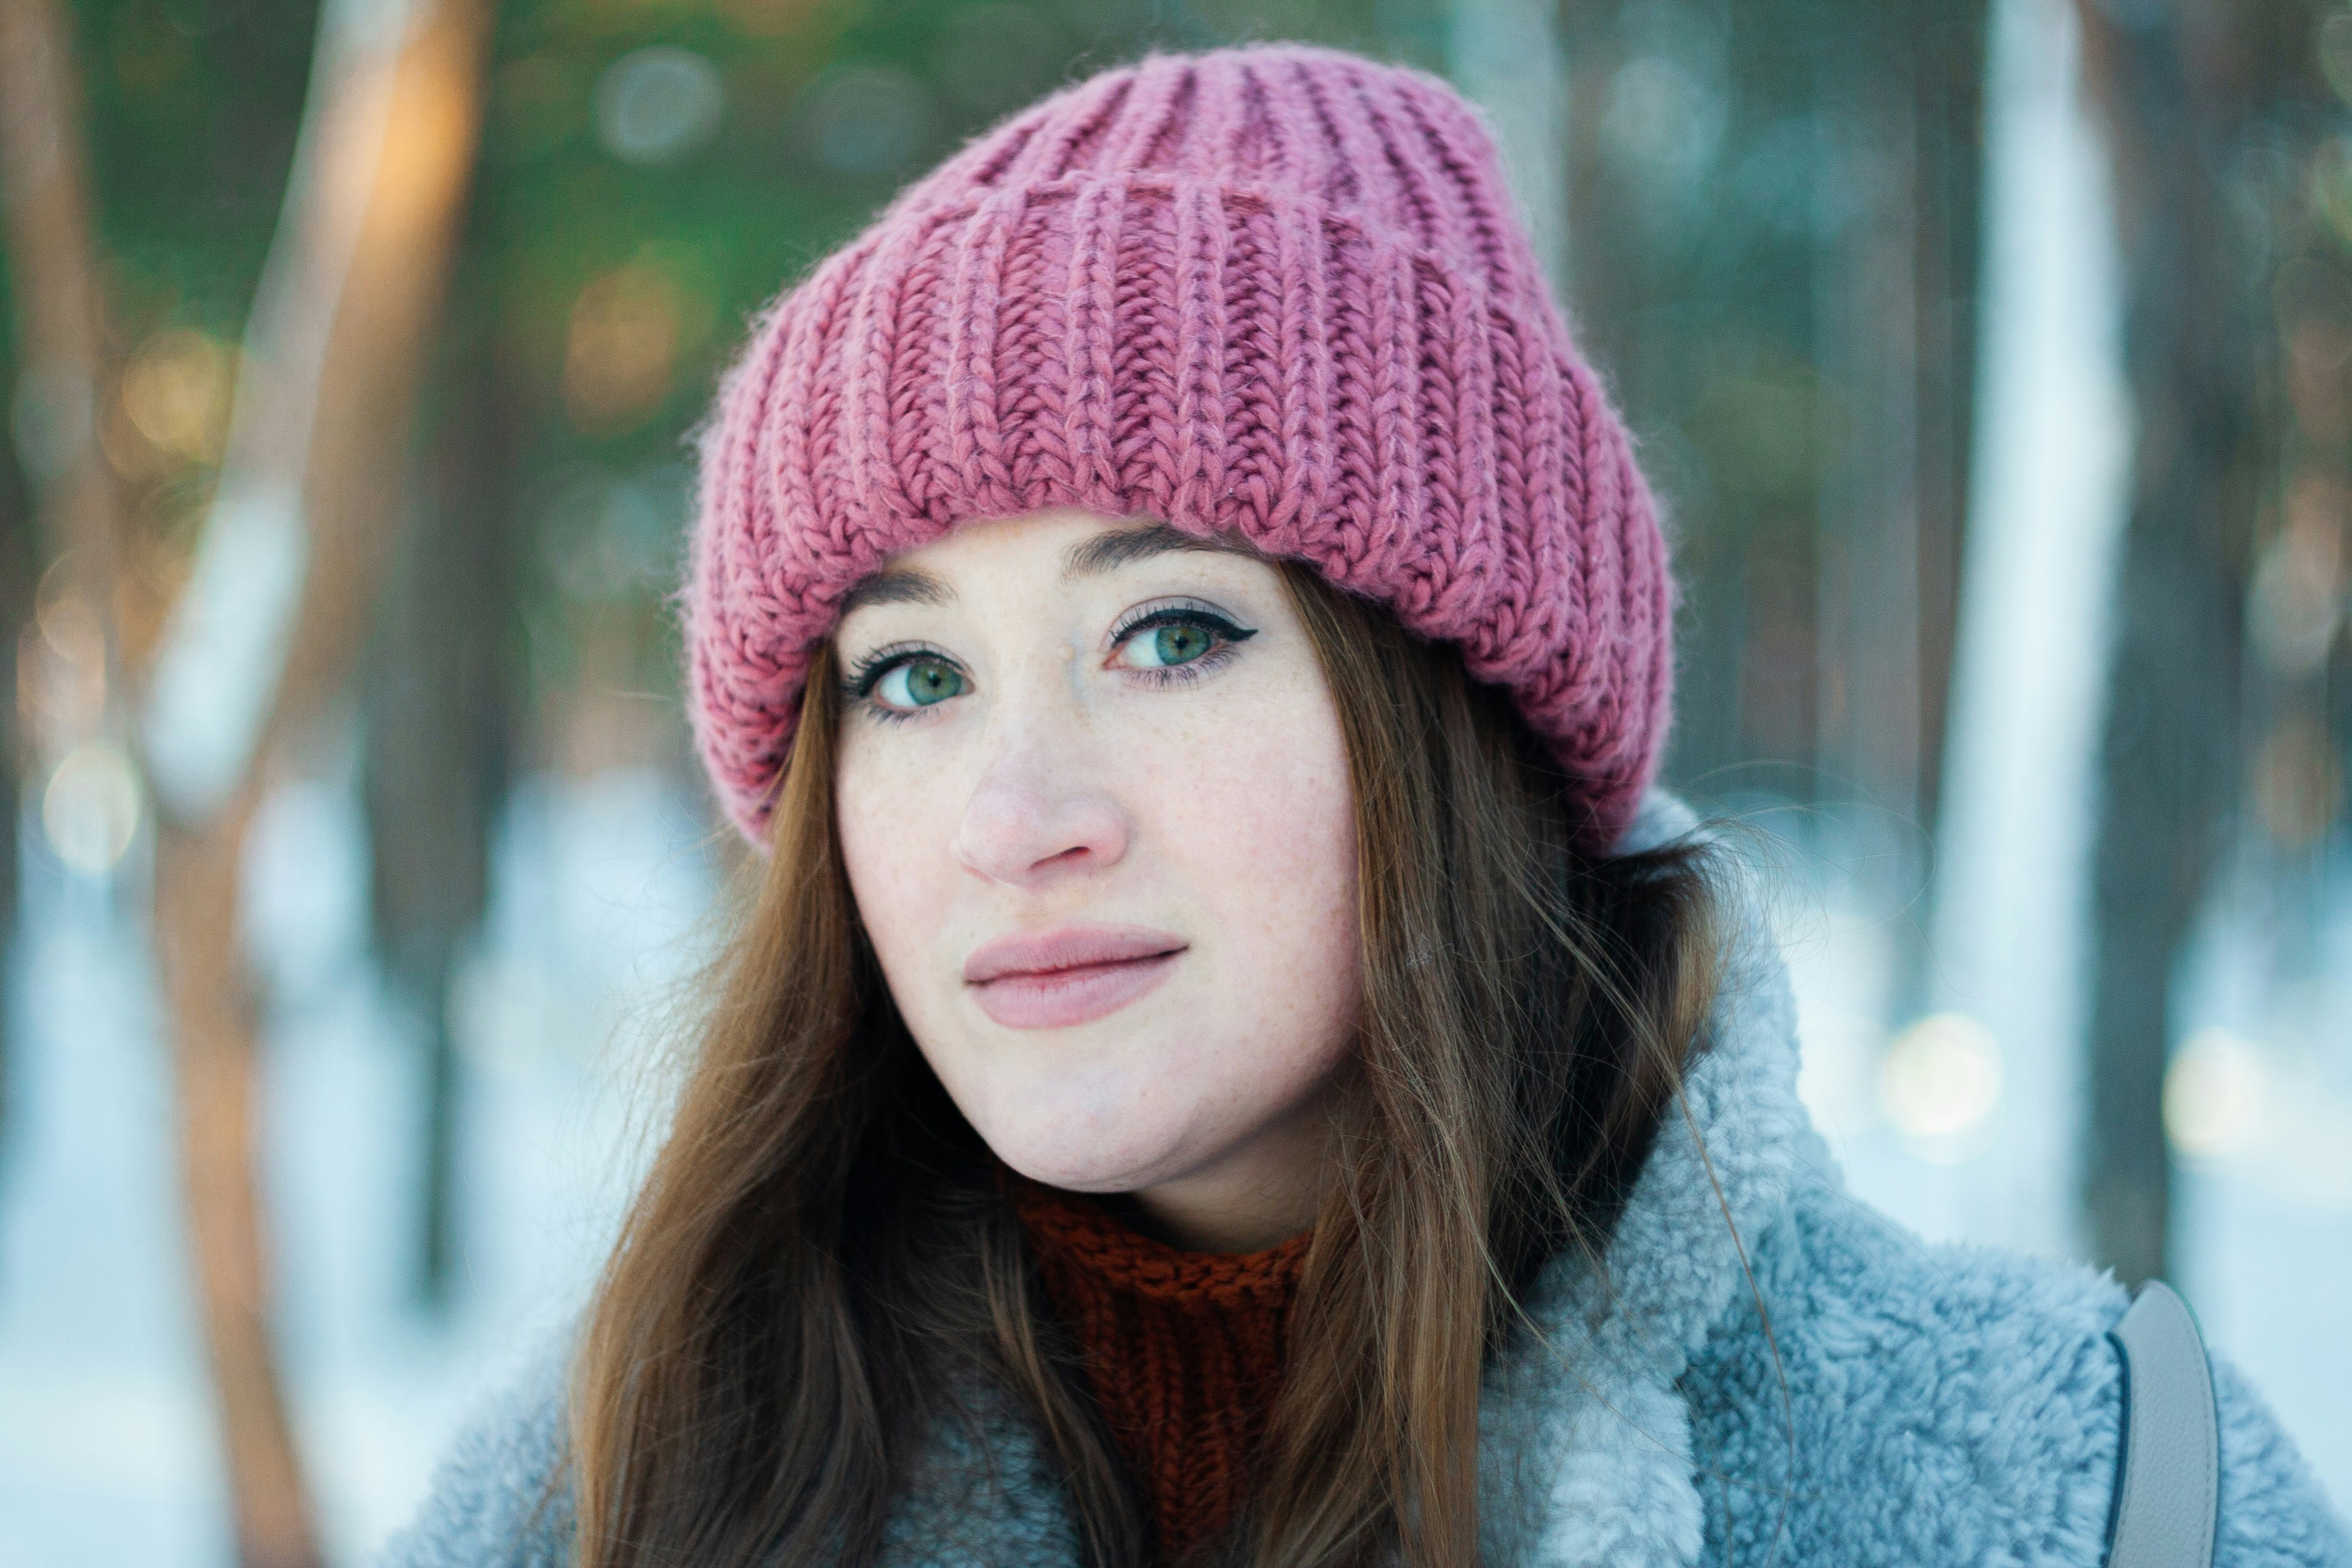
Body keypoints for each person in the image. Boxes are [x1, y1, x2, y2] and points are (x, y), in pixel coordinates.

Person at [382, 42, 2348, 1568]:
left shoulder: (2093, 1489)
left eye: (1170, 635)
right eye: (912, 676)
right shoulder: (608, 1503)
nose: (1015, 815)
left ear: (1462, 710)